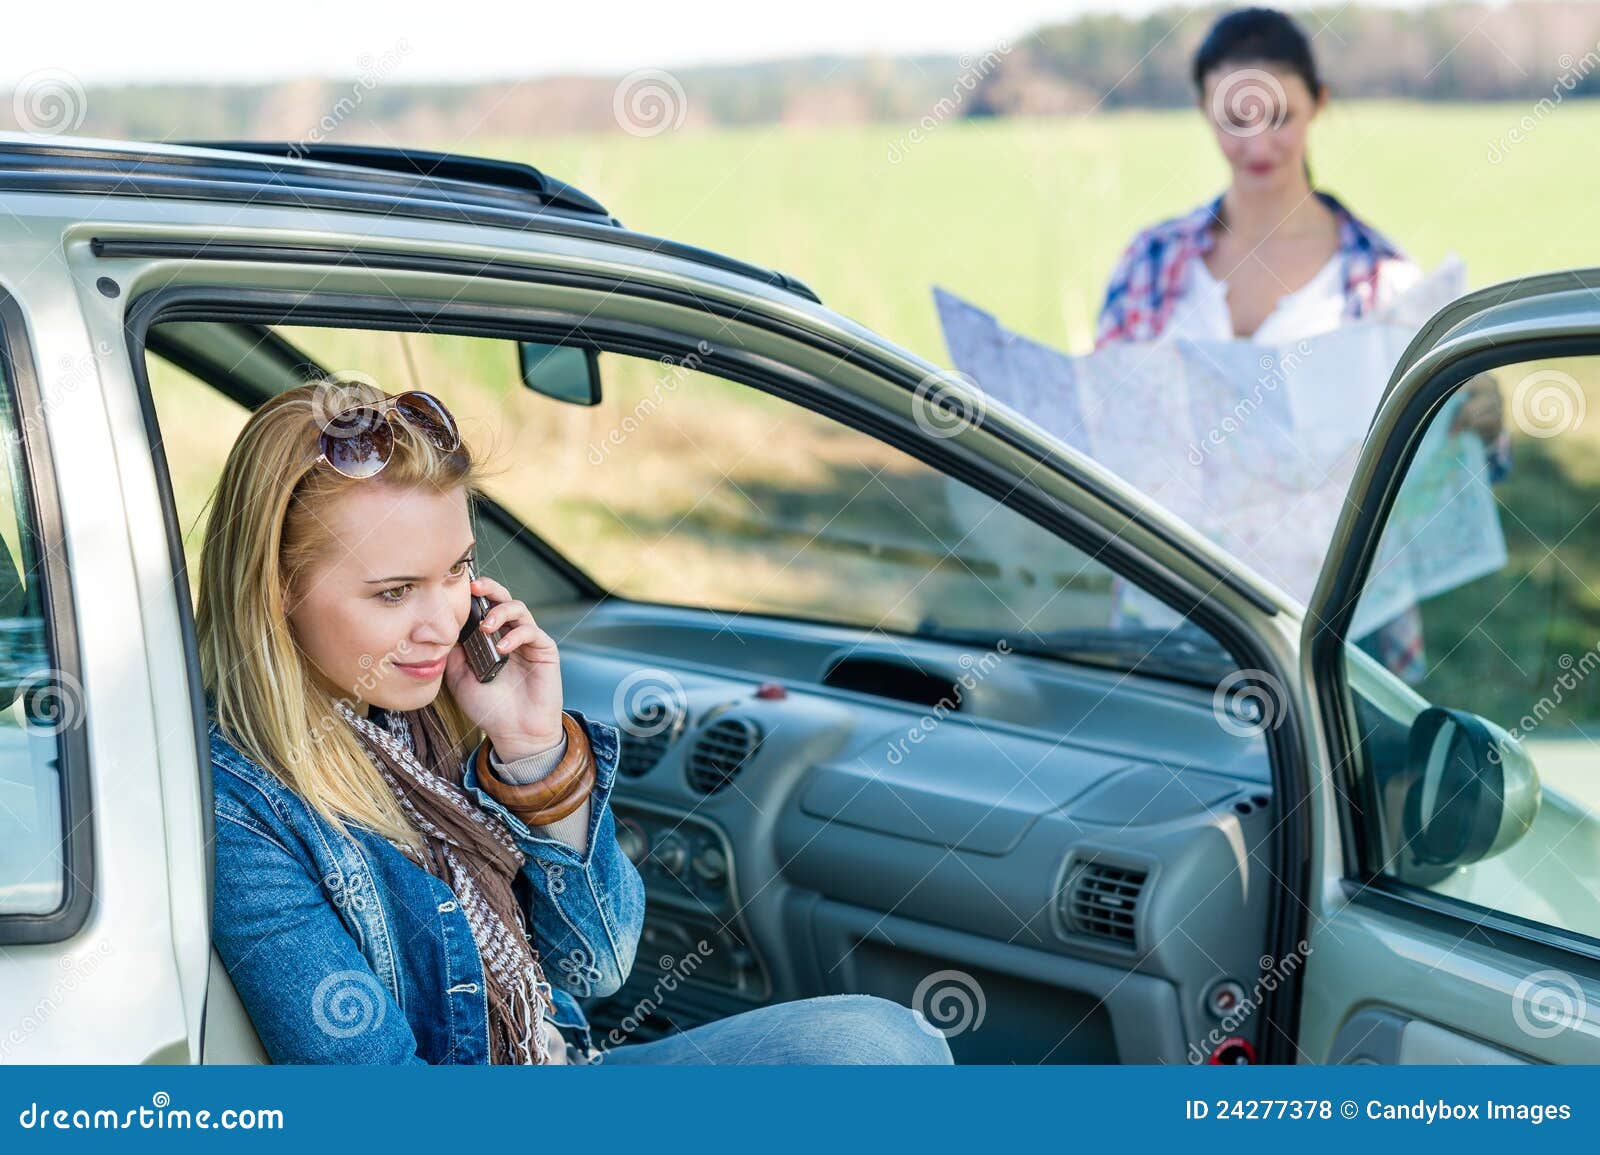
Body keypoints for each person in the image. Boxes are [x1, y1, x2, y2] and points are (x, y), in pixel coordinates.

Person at [201, 376, 954, 1066]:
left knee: (882, 1047)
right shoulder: (242, 807)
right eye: (395, 592)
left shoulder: (434, 720)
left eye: (457, 569)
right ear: (276, 593)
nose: (443, 621)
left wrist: (534, 751)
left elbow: (598, 963)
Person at [1093, 5, 1506, 681]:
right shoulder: (1151, 262)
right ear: (1203, 108)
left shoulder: (1381, 284)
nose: (1258, 144)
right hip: (1167, 615)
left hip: (1333, 638)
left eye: (1279, 116)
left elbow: (1450, 468)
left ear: (1319, 104)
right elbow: (1105, 425)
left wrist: (1475, 417)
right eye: (1235, 118)